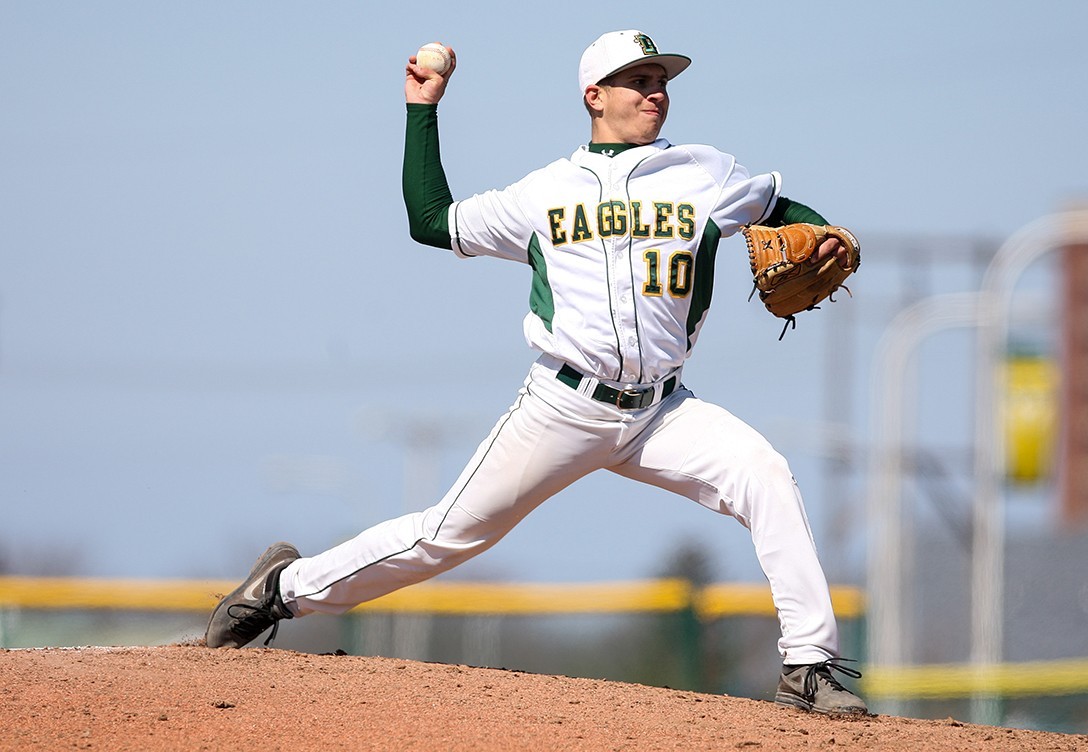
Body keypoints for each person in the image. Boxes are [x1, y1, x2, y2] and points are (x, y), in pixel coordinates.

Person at [205, 29, 867, 716]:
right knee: (444, 537)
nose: (656, 91)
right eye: (637, 80)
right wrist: (421, 110)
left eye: (660, 79)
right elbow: (432, 220)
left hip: (664, 411)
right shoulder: (544, 192)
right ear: (595, 95)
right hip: (564, 405)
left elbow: (781, 212)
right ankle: (281, 590)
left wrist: (820, 233)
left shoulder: (705, 174)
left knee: (765, 475)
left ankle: (808, 666)